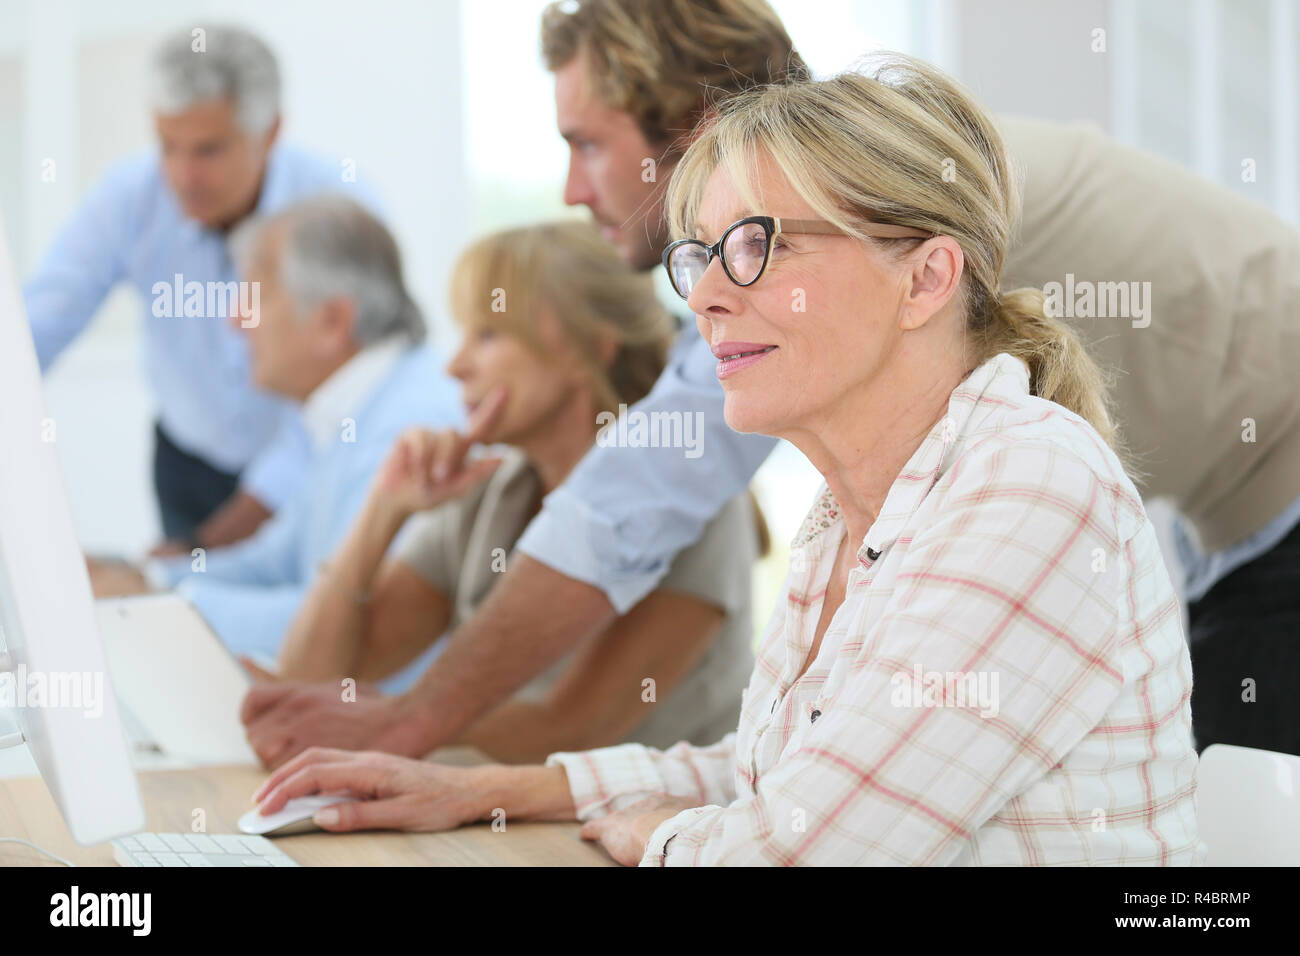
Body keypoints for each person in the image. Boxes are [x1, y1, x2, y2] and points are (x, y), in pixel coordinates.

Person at [241, 0, 1300, 766]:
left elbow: (629, 503)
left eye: (587, 144)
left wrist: (415, 722)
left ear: (698, 129)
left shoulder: (858, 209)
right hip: (1226, 513)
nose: (570, 187)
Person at [274, 221, 761, 759]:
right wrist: (380, 512)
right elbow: (311, 681)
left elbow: (567, 730)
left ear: (585, 350)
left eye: (487, 335)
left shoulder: (695, 506)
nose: (454, 366)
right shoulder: (489, 490)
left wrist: (375, 729)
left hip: (651, 834)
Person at [25, 25, 376, 552]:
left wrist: (218, 541)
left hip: (312, 459)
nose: (183, 176)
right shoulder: (129, 199)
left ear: (271, 131)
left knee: (300, 612)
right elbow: (38, 324)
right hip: (187, 462)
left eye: (209, 150)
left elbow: (353, 388)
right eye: (168, 146)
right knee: (187, 615)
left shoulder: (338, 210)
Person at [87, 196, 461, 664]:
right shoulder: (352, 410)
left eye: (255, 296)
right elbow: (275, 560)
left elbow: (350, 623)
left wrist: (154, 607)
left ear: (332, 321)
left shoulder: (411, 424)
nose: (236, 321)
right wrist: (151, 579)